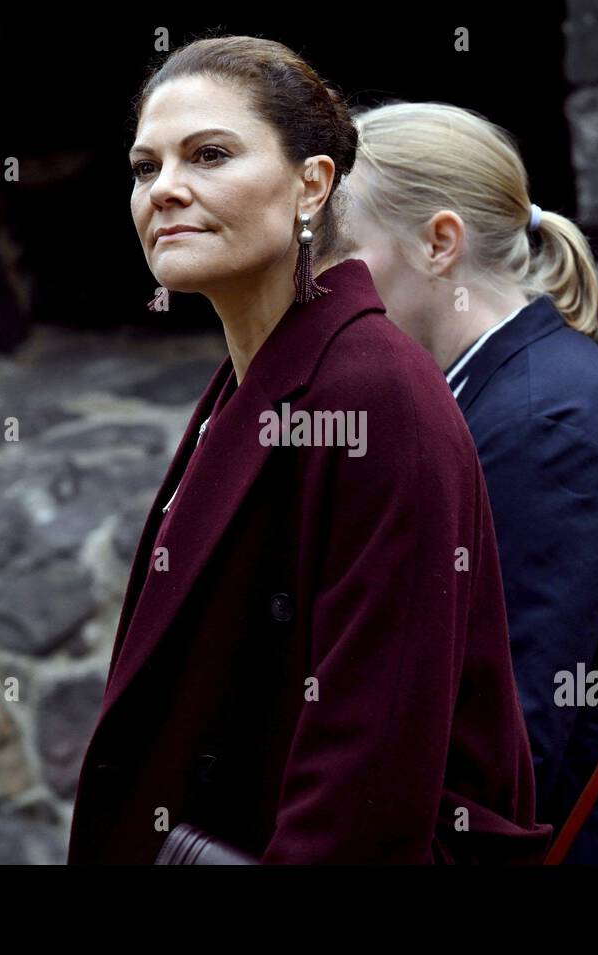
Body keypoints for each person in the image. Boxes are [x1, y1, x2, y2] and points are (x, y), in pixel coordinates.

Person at [67, 37, 552, 864]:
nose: (167, 190)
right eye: (145, 168)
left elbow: (372, 759)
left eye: (210, 155)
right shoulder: (254, 374)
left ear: (312, 184)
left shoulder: (375, 393)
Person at [333, 101, 598, 863]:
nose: (318, 284)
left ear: (440, 243)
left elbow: (502, 745)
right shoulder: (507, 393)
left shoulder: (544, 424)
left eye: (338, 250)